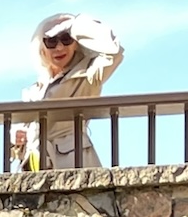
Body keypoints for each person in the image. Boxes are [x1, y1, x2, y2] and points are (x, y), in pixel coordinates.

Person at [15, 14, 123, 170]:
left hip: (73, 163)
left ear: (76, 44)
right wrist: (16, 137)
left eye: (66, 38)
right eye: (51, 41)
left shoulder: (87, 76)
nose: (59, 47)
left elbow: (114, 52)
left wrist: (77, 25)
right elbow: (20, 132)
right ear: (42, 48)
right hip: (34, 169)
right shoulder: (33, 91)